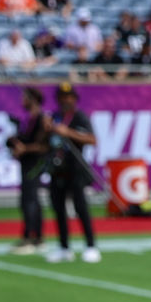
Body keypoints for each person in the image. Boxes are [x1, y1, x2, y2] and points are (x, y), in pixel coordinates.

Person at [44, 82, 99, 263]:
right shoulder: (54, 117)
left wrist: (68, 132)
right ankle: (64, 247)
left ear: (74, 99)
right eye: (62, 97)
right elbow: (47, 139)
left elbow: (91, 139)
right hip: (57, 168)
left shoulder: (79, 117)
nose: (65, 100)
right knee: (58, 209)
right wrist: (48, 128)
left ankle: (91, 245)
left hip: (75, 169)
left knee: (81, 207)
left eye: (68, 97)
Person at [6, 87, 48, 252]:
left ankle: (33, 237)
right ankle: (31, 235)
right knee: (27, 200)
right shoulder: (27, 120)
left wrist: (25, 148)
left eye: (25, 97)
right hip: (26, 162)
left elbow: (43, 146)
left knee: (31, 199)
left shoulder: (41, 119)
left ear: (33, 99)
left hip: (35, 163)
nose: (22, 100)